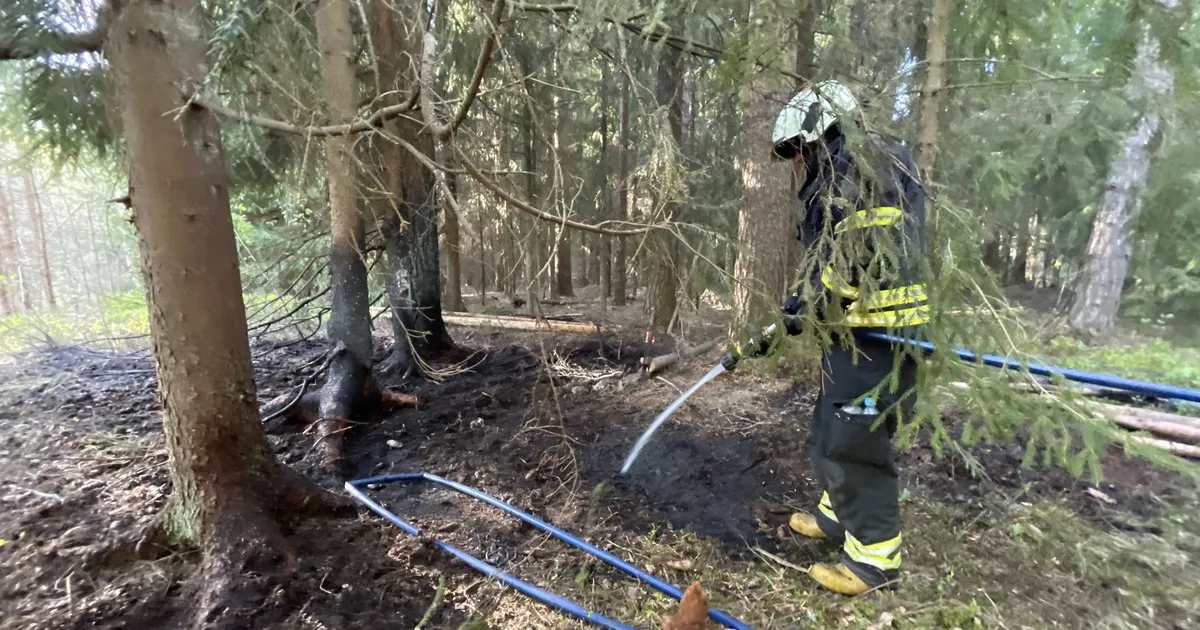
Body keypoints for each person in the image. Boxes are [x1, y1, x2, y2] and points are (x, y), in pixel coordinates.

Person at [721, 80, 929, 595]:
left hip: (880, 333)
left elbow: (856, 259)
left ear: (822, 132)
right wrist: (792, 312)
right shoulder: (846, 168)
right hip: (853, 332)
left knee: (854, 441)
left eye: (798, 151)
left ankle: (874, 563)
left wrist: (808, 311)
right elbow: (826, 264)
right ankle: (837, 517)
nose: (796, 163)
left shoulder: (865, 168)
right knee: (830, 424)